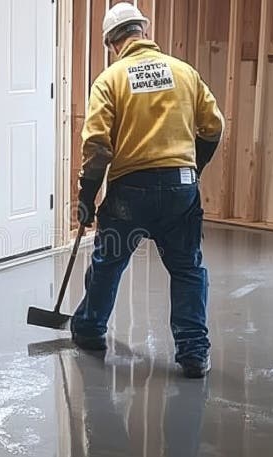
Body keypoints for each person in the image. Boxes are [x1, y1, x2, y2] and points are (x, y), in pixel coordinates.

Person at [71, 3, 224, 379]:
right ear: (143, 31)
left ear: (112, 42)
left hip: (130, 192)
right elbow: (213, 126)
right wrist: (192, 168)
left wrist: (86, 197)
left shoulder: (111, 79)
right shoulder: (184, 73)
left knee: (109, 263)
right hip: (181, 189)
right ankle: (193, 354)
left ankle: (90, 331)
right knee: (187, 269)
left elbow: (97, 145)